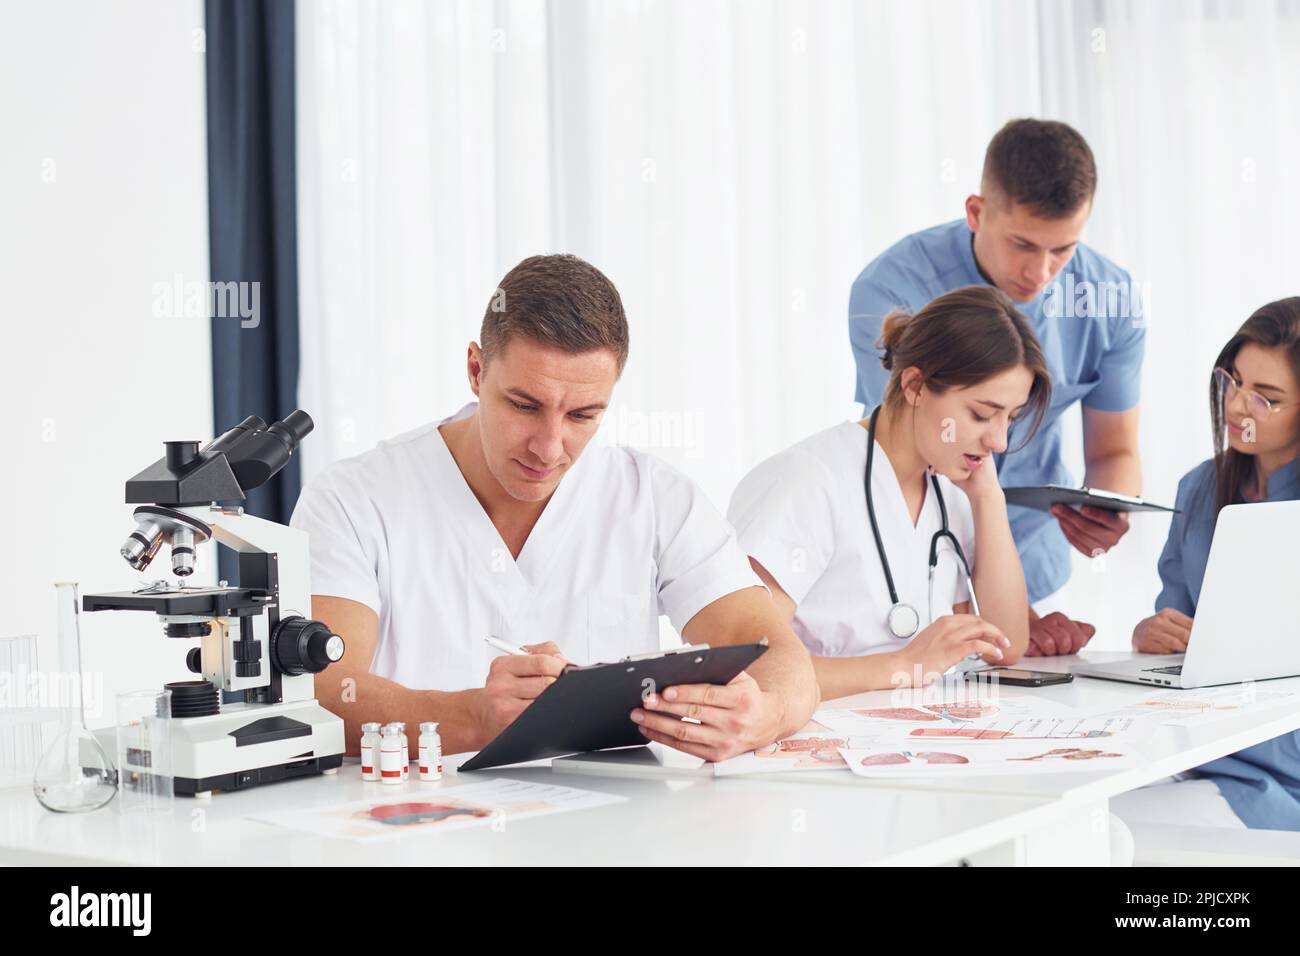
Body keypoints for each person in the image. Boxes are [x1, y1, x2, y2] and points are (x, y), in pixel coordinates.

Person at [291, 254, 819, 762]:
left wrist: (764, 714)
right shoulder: (353, 498)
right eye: (525, 406)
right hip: (416, 823)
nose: (549, 447)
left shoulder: (654, 497)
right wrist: (473, 716)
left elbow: (781, 656)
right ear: (476, 370)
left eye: (583, 415)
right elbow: (325, 690)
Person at [848, 118, 1144, 657]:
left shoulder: (1110, 298)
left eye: (1063, 250)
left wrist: (1107, 513)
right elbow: (919, 455)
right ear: (976, 212)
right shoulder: (890, 288)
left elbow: (1115, 449)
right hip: (922, 547)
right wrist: (1010, 619)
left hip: (1028, 548)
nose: (1041, 272)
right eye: (1023, 244)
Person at [728, 286, 1051, 698]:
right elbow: (749, 664)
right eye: (981, 414)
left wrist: (989, 499)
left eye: (1012, 418)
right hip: (819, 744)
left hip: (922, 739)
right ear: (915, 385)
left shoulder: (953, 489)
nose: (1000, 442)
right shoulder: (807, 479)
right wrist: (903, 666)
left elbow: (1006, 644)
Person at [1112, 297, 1300, 830]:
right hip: (1191, 743)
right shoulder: (1198, 488)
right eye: (1233, 381)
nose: (1238, 406)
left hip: (1274, 766)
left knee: (1112, 829)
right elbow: (1174, 628)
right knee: (1070, 807)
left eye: (1268, 398)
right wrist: (1152, 632)